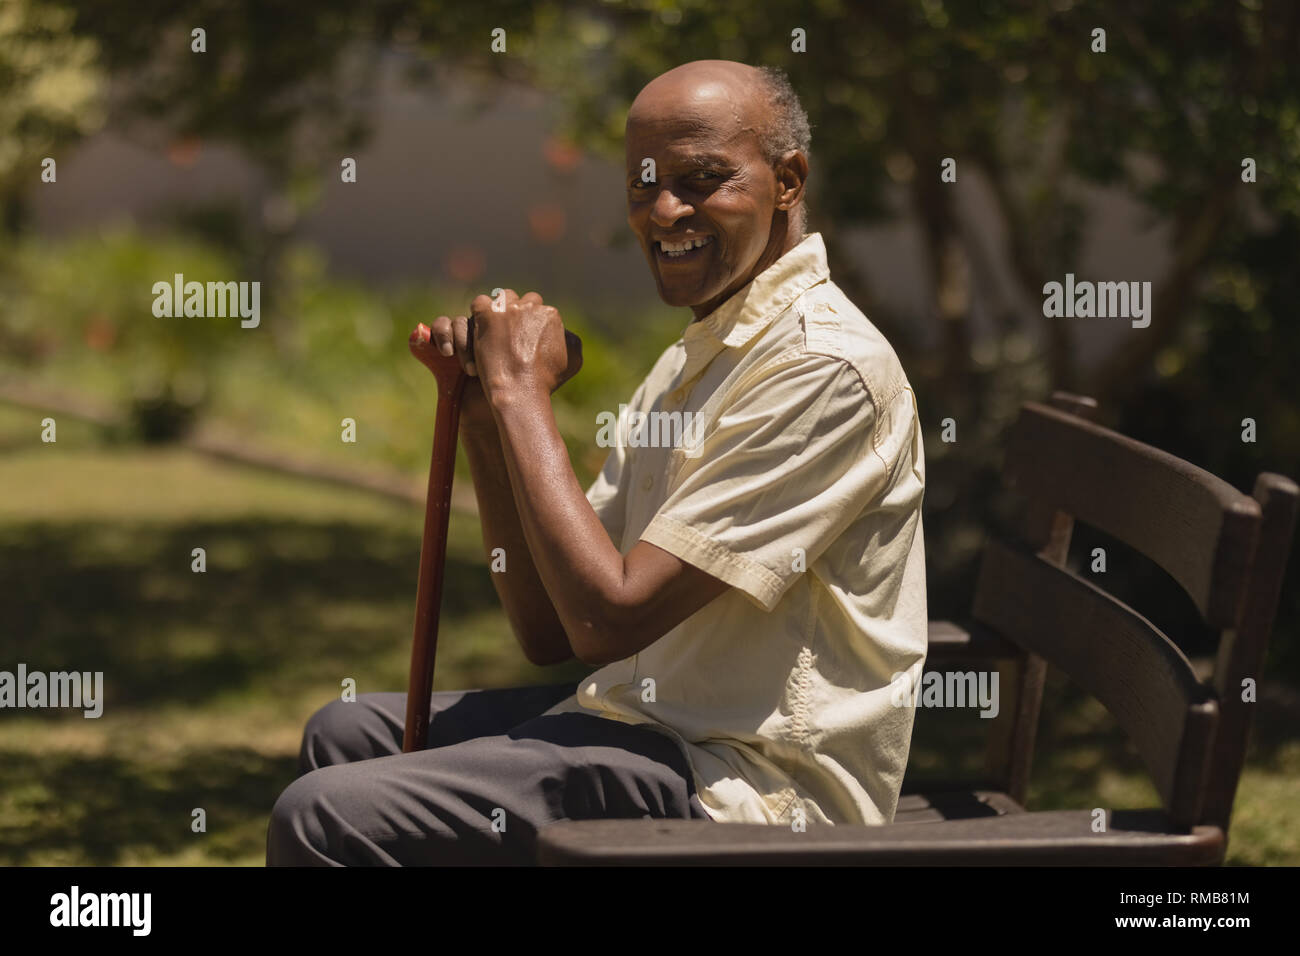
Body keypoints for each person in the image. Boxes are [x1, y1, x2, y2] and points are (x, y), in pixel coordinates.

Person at [266, 59, 927, 866]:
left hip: (747, 793)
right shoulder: (704, 352)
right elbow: (548, 629)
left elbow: (605, 618)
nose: (665, 210)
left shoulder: (822, 369)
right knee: (345, 732)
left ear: (787, 181)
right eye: (643, 185)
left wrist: (520, 395)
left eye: (702, 179)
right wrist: (484, 418)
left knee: (325, 816)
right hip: (644, 729)